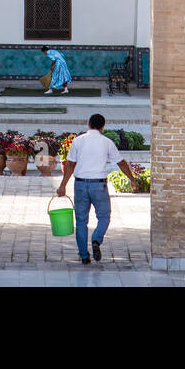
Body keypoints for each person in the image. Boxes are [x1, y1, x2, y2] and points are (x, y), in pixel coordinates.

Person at [56, 113, 134, 264]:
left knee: (81, 221)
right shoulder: (107, 142)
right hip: (99, 185)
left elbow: (70, 164)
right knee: (104, 217)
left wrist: (62, 185)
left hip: (80, 184)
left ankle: (84, 256)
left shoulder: (78, 141)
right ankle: (96, 239)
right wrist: (132, 179)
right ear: (103, 127)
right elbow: (121, 163)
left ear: (88, 124)